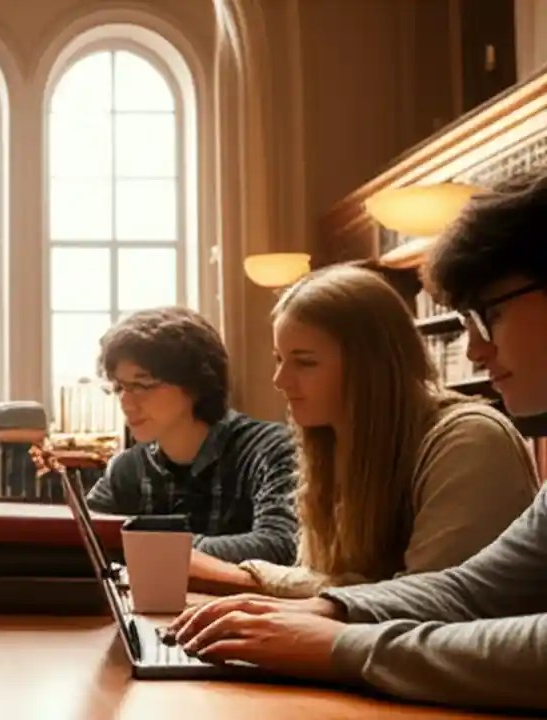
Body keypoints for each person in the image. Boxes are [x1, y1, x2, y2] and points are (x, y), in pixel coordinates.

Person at [170, 173, 547, 712]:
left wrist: (338, 642)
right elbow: (469, 588)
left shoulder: (468, 438)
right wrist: (327, 611)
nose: (474, 353)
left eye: (492, 313)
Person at [188, 265, 538, 598]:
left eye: (305, 362)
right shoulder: (329, 442)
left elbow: (427, 602)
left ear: (371, 366)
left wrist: (251, 578)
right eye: (280, 359)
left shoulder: (470, 441)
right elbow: (332, 582)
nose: (280, 381)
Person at [85, 307, 299, 565]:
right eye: (120, 387)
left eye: (142, 386)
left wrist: (150, 544)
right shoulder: (127, 468)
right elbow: (83, 540)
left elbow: (280, 546)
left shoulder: (270, 450)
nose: (126, 403)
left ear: (196, 383)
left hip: (242, 604)